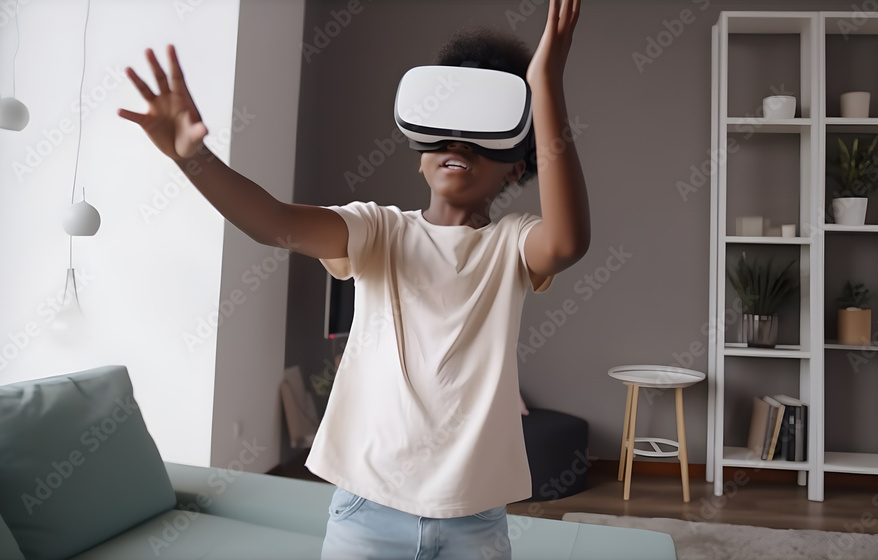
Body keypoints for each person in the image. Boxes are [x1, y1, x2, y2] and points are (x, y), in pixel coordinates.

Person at [118, 0, 588, 558]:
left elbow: (568, 241)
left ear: (516, 165)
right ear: (418, 153)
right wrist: (193, 160)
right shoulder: (377, 230)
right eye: (443, 129)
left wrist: (544, 85)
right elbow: (274, 224)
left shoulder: (513, 243)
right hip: (368, 511)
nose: (458, 142)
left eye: (483, 131)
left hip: (475, 519)